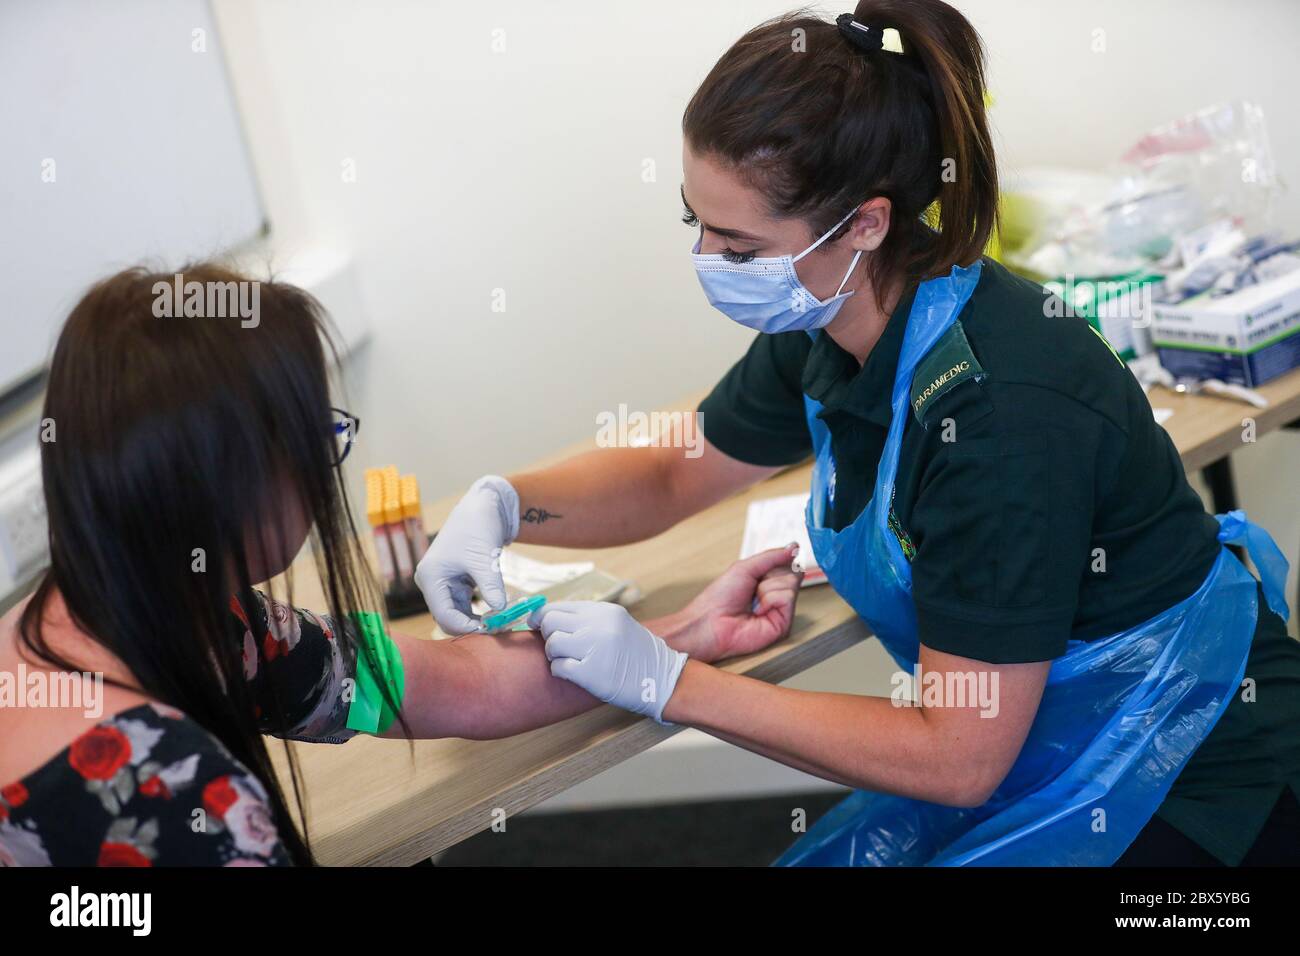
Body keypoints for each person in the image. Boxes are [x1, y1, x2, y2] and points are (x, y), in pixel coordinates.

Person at [416, 1, 1300, 865]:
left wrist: (670, 684)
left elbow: (956, 757)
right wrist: (506, 503)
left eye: (737, 245)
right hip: (1034, 736)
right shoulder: (831, 320)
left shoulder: (995, 411)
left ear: (866, 223)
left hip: (1196, 768)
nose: (708, 265)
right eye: (697, 224)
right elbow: (669, 473)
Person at [0, 264, 800, 866]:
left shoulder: (181, 615)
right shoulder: (166, 795)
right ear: (232, 480)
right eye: (318, 441)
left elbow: (451, 684)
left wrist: (682, 634)